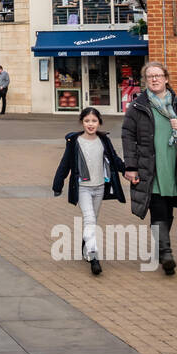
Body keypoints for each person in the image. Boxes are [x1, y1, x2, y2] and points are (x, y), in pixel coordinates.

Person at [122, 61, 177, 275]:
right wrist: (130, 166)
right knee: (157, 207)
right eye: (150, 76)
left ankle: (161, 247)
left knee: (168, 209)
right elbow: (127, 136)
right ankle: (166, 253)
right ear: (145, 81)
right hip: (150, 166)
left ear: (166, 78)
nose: (154, 79)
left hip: (174, 166)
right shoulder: (138, 106)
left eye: (158, 75)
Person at [52, 106, 126, 276]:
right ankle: (94, 258)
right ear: (82, 123)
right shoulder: (75, 142)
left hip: (100, 188)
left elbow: (114, 159)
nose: (90, 124)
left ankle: (86, 245)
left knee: (93, 220)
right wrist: (58, 185)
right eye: (87, 121)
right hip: (83, 188)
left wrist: (127, 171)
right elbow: (65, 164)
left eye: (94, 121)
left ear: (99, 122)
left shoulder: (103, 140)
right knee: (90, 218)